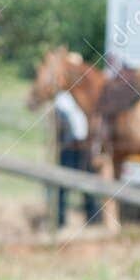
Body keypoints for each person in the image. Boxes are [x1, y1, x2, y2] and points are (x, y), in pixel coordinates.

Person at [53, 88, 100, 227]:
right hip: (69, 147)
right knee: (62, 185)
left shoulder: (87, 94)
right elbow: (58, 122)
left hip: (85, 148)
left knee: (89, 184)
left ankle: (92, 219)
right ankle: (60, 221)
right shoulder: (62, 98)